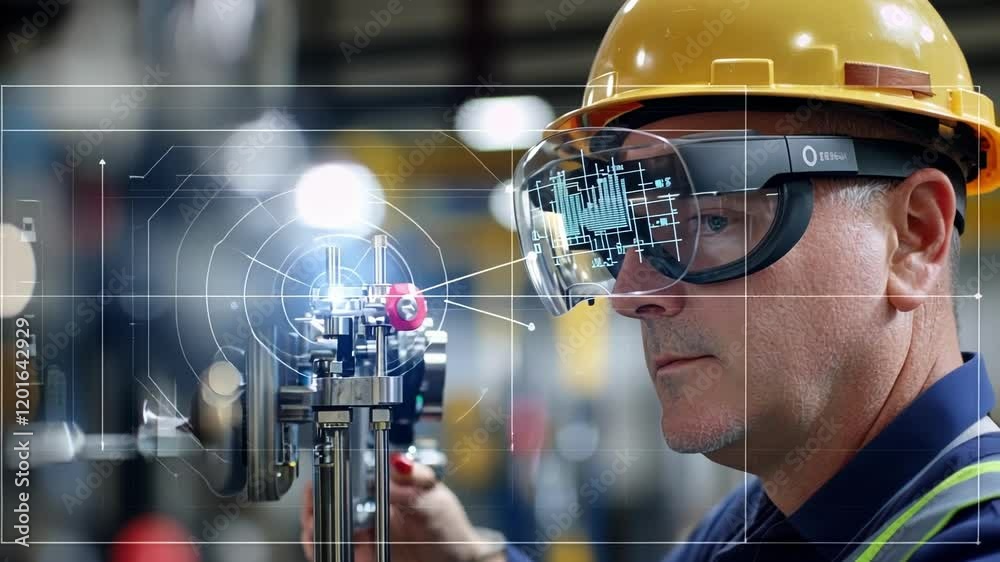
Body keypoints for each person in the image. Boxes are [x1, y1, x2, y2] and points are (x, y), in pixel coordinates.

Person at [302, 0, 1000, 560]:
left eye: (714, 219)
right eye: (627, 237)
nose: (634, 295)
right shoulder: (753, 530)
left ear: (916, 236)